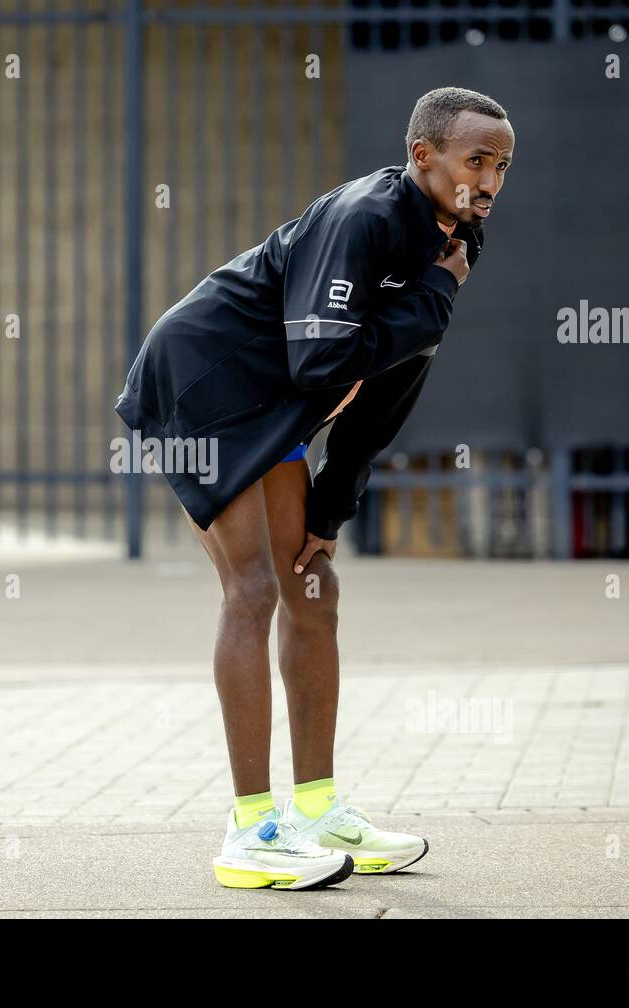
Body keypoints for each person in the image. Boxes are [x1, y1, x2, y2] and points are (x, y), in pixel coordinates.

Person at [114, 87, 514, 890]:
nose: (490, 181)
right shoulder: (364, 220)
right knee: (252, 591)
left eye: (503, 165)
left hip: (274, 403)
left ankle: (317, 809)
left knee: (312, 584)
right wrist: (435, 300)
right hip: (204, 382)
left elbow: (393, 383)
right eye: (476, 160)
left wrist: (332, 506)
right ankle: (251, 831)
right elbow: (326, 366)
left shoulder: (455, 238)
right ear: (423, 156)